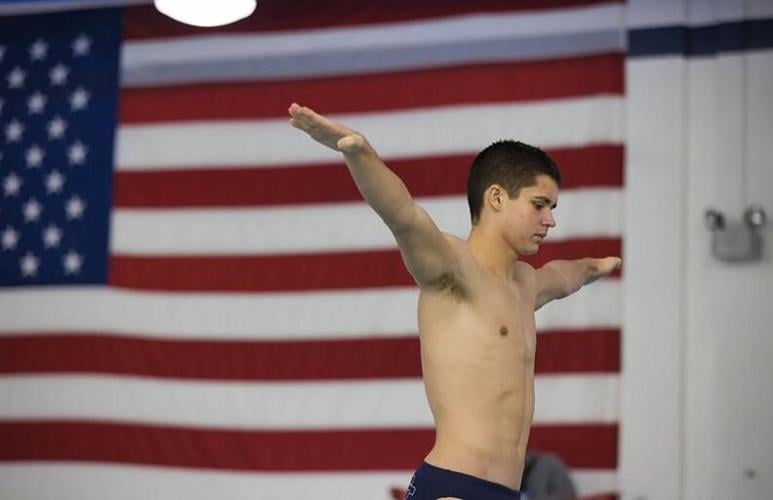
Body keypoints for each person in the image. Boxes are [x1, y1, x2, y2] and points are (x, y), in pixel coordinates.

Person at [288, 103, 621, 500]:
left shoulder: (526, 284)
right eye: (539, 205)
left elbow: (566, 276)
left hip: (506, 491)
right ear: (496, 198)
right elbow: (403, 215)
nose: (550, 220)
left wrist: (594, 267)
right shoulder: (453, 269)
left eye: (552, 209)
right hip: (455, 487)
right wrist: (359, 152)